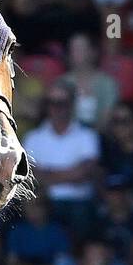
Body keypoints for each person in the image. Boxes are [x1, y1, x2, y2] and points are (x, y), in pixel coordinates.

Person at [22, 82, 101, 235]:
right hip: (43, 203)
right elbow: (29, 175)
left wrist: (47, 175)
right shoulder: (32, 137)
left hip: (79, 202)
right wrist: (71, 174)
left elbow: (85, 172)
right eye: (52, 103)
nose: (56, 108)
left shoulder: (87, 135)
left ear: (71, 104)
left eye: (62, 103)